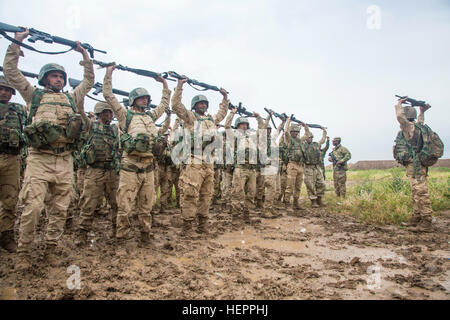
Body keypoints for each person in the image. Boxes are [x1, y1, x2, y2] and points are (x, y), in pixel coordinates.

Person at [3, 28, 94, 270]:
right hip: (39, 159)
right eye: (53, 76)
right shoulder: (34, 96)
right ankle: (24, 252)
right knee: (32, 207)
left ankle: (51, 249)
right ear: (44, 79)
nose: (58, 80)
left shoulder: (72, 98)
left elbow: (88, 82)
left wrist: (85, 56)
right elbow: (10, 72)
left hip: (64, 159)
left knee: (61, 209)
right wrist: (16, 43)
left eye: (61, 77)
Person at [103, 64, 170, 245]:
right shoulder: (126, 116)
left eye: (146, 99)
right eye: (141, 98)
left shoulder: (150, 117)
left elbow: (164, 105)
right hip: (130, 166)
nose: (145, 101)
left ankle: (145, 235)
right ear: (133, 100)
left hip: (148, 166)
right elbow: (108, 95)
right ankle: (121, 237)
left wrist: (164, 83)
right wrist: (109, 73)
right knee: (125, 204)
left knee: (147, 204)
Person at [171, 77, 228, 236]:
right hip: (194, 162)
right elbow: (176, 105)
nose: (203, 105)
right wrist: (180, 86)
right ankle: (187, 227)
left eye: (205, 103)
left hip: (209, 163)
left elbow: (222, 113)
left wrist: (224, 98)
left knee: (206, 195)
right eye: (200, 103)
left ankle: (202, 225)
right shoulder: (190, 118)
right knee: (190, 194)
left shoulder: (211, 119)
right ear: (194, 106)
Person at [76, 102, 120, 244]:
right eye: (107, 112)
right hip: (94, 171)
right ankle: (82, 233)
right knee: (89, 203)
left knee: (116, 203)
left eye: (111, 113)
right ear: (100, 113)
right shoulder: (91, 126)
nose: (110, 115)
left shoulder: (114, 130)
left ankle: (116, 229)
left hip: (111, 171)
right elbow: (81, 110)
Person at [394, 97, 435, 232]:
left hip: (415, 165)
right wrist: (422, 111)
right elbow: (420, 120)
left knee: (420, 191)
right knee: (416, 191)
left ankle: (427, 221)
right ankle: (417, 217)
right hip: (418, 163)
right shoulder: (418, 127)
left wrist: (399, 104)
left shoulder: (408, 127)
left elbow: (400, 117)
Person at [0, 75, 26, 252]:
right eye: (1, 89)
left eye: (7, 90)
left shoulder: (19, 110)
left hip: (12, 158)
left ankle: (6, 235)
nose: (4, 92)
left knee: (10, 200)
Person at [283, 117, 311, 214]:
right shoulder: (289, 140)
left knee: (298, 186)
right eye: (293, 131)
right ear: (291, 132)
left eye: (296, 131)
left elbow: (307, 135)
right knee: (290, 186)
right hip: (292, 165)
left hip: (300, 166)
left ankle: (296, 203)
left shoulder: (300, 141)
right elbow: (285, 131)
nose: (295, 133)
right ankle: (287, 204)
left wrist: (305, 126)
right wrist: (288, 121)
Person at [302, 127, 327, 207]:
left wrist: (324, 131)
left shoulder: (316, 144)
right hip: (308, 167)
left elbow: (322, 140)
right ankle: (313, 201)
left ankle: (319, 198)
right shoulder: (303, 146)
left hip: (317, 167)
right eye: (308, 137)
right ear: (306, 138)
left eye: (311, 137)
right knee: (310, 184)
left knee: (321, 183)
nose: (310, 139)